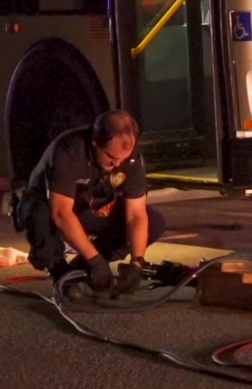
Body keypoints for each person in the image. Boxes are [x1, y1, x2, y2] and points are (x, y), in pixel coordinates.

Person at [12, 110, 166, 296]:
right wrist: (96, 261)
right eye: (111, 157)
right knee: (38, 215)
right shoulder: (68, 150)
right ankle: (58, 270)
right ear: (95, 143)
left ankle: (81, 268)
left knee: (155, 222)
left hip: (89, 208)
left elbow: (136, 215)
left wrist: (137, 262)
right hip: (50, 206)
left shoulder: (129, 158)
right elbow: (61, 213)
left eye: (123, 159)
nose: (118, 164)